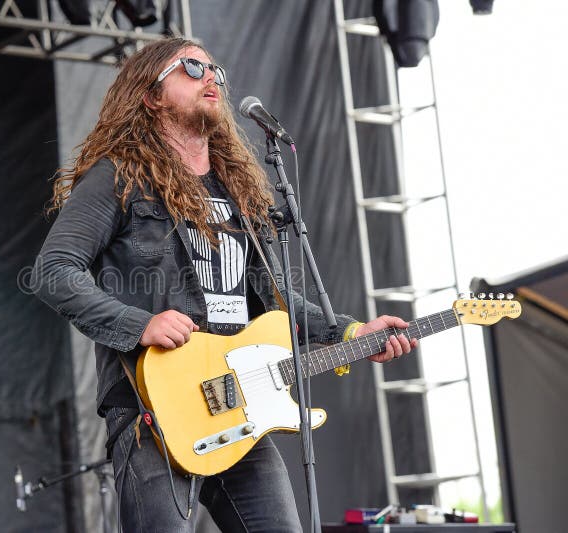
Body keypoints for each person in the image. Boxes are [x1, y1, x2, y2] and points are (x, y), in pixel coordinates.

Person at [33, 37, 417, 533]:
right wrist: (140, 323)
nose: (210, 75)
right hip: (154, 413)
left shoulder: (238, 192)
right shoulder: (120, 178)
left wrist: (349, 333)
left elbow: (279, 300)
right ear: (151, 94)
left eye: (215, 68)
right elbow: (53, 269)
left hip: (241, 412)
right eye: (192, 67)